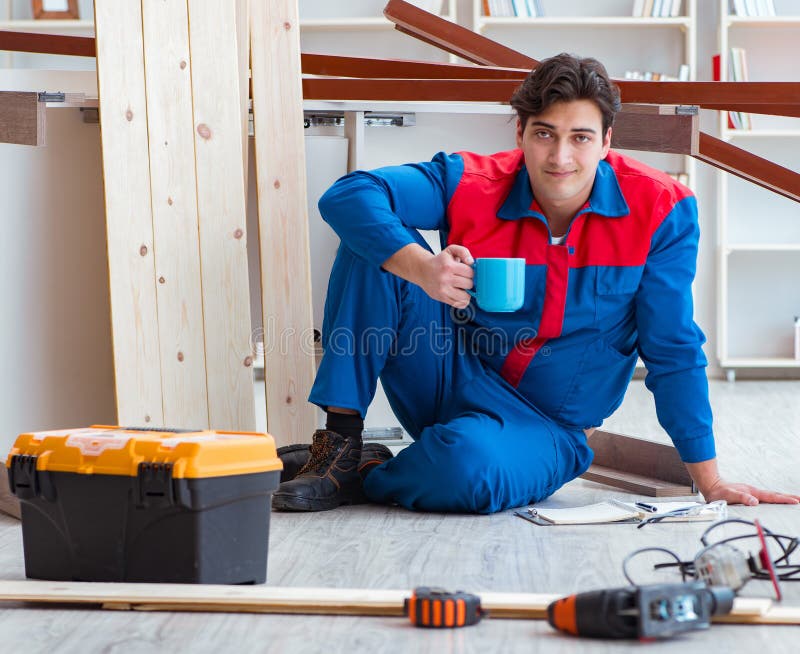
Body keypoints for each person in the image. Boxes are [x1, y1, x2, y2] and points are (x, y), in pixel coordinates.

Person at [272, 53, 800, 514]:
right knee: (375, 241)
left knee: (468, 470)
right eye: (544, 133)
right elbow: (348, 195)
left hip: (545, 428)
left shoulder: (661, 212)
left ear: (606, 142)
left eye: (580, 138)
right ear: (520, 132)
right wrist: (421, 267)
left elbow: (672, 348)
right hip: (445, 373)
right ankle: (340, 444)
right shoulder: (471, 181)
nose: (560, 157)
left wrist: (709, 481)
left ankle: (369, 473)